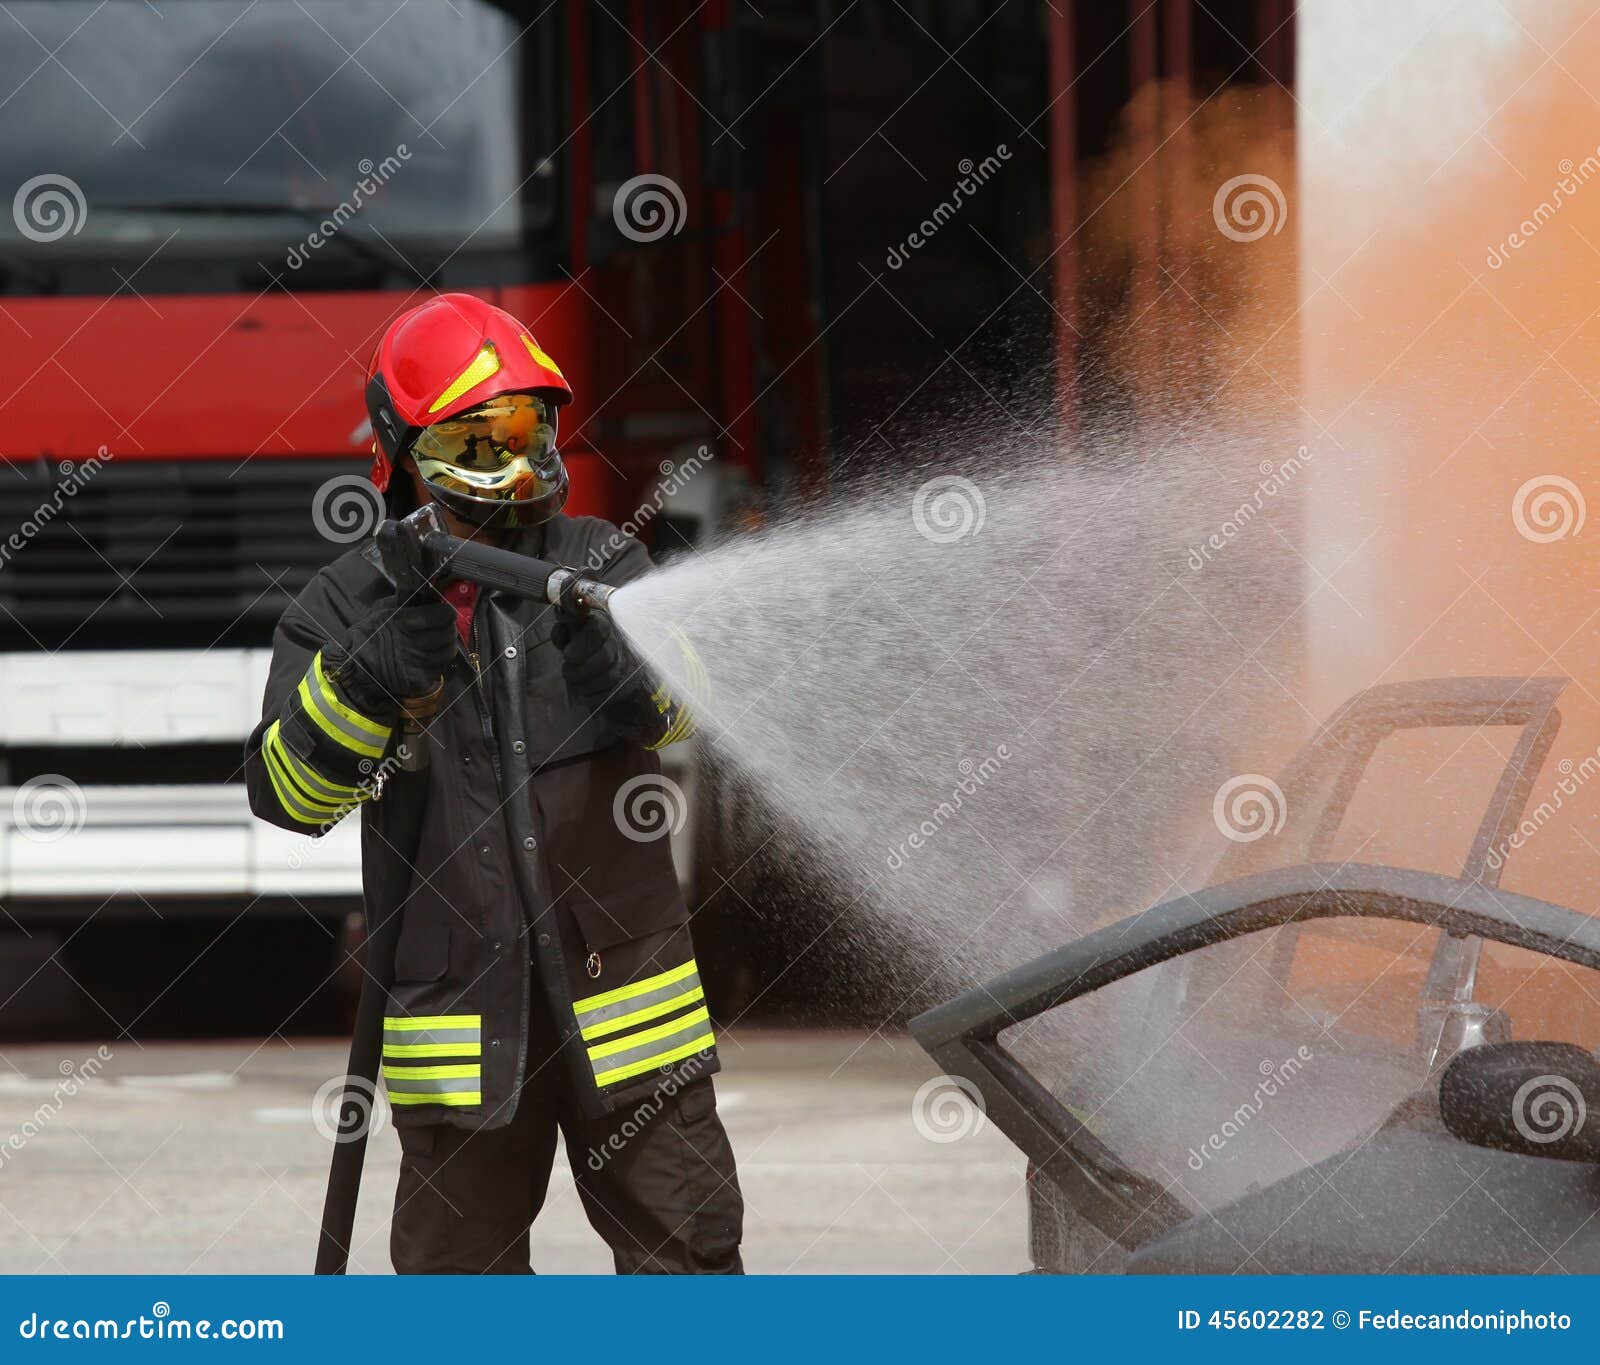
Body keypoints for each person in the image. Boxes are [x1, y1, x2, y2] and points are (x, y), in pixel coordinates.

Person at [245, 293, 742, 1274]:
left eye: (526, 429)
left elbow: (701, 714)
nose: (512, 459)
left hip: (631, 1023)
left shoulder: (605, 563)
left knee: (690, 1270)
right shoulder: (350, 604)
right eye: (478, 440)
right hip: (459, 1041)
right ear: (409, 450)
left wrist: (630, 672)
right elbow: (287, 798)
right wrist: (368, 679)